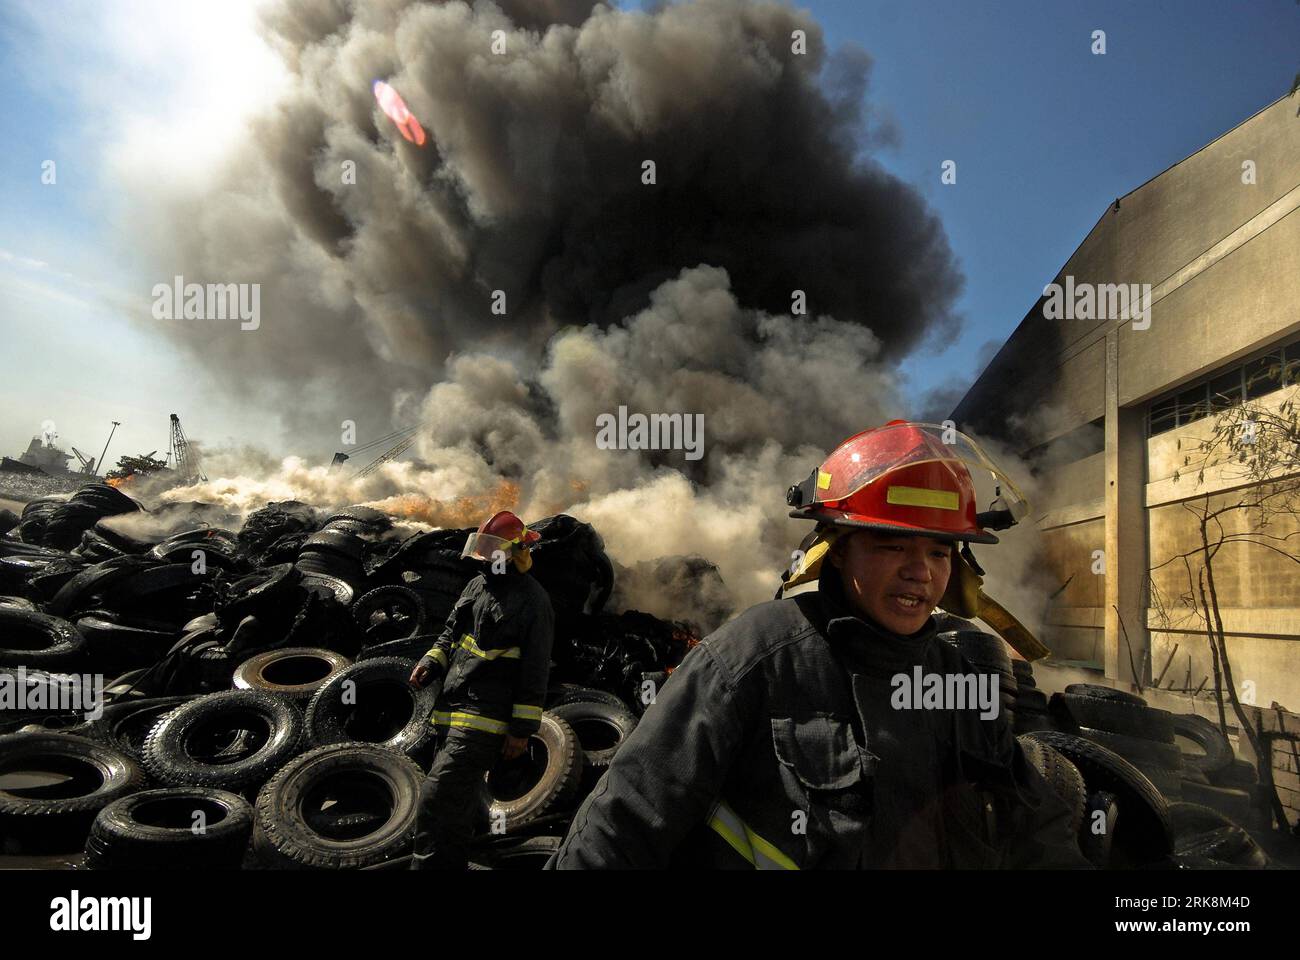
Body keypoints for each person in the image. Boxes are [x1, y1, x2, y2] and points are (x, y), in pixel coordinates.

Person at [549, 421, 1088, 869]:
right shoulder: (753, 658)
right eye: (890, 545)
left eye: (941, 552)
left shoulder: (961, 682)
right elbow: (623, 825)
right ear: (835, 551)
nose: (920, 573)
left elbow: (1037, 827)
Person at [408, 510, 555, 870]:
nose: (484, 558)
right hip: (450, 708)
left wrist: (521, 732)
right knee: (458, 805)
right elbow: (451, 633)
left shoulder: (533, 602)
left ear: (514, 553)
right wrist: (431, 662)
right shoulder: (477, 585)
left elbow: (536, 670)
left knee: (435, 800)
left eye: (493, 550)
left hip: (483, 721)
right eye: (483, 548)